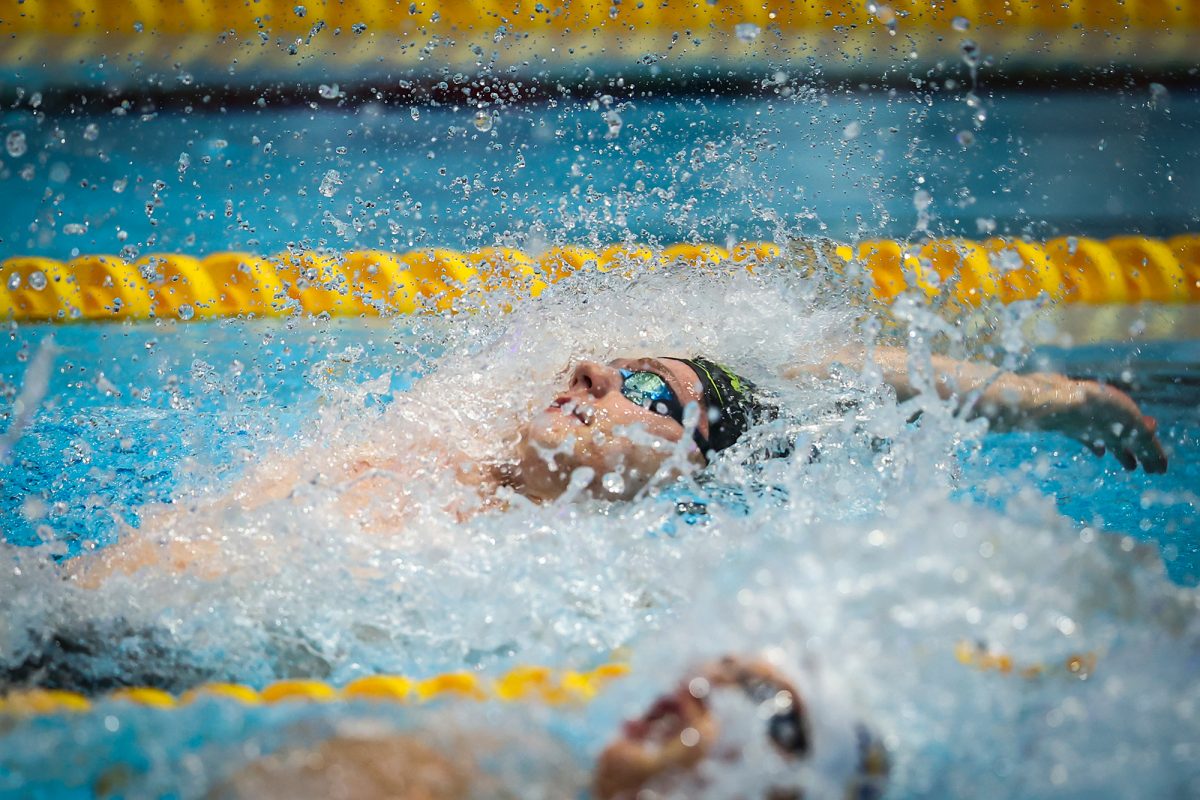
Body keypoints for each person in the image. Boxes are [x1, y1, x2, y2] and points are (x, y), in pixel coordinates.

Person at [67, 347, 1166, 584]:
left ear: (683, 469)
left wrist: (1057, 405)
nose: (591, 369)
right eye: (611, 362)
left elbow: (819, 399)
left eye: (647, 393)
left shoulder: (564, 588)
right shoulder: (407, 446)